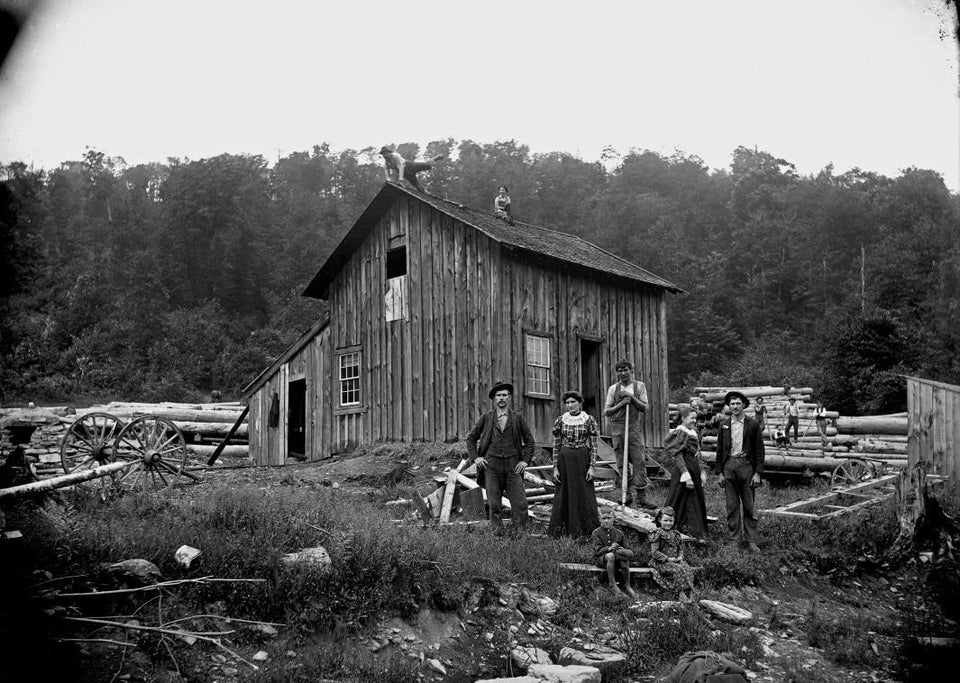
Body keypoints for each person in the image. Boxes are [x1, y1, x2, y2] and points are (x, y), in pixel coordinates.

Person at [466, 381, 534, 531]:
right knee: (494, 505)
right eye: (498, 395)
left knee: (521, 504)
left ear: (509, 398)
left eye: (504, 395)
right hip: (491, 466)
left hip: (513, 467)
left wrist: (525, 461)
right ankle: (497, 534)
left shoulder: (517, 418)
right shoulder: (486, 418)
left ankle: (521, 534)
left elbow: (530, 441)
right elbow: (471, 438)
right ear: (494, 399)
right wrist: (476, 458)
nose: (502, 398)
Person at [715, 391, 765, 552]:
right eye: (732, 404)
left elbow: (759, 450)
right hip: (729, 465)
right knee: (732, 505)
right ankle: (734, 540)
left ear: (744, 404)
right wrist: (720, 473)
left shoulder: (753, 424)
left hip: (746, 467)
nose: (735, 407)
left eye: (737, 403)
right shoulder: (724, 424)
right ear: (728, 406)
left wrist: (757, 473)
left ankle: (750, 540)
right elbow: (720, 450)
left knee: (749, 505)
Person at [548, 391, 601, 539]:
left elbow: (594, 445)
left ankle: (586, 531)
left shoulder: (588, 420)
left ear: (580, 403)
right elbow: (556, 444)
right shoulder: (561, 420)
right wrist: (555, 467)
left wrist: (592, 466)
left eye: (573, 402)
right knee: (564, 492)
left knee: (583, 491)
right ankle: (563, 531)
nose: (570, 405)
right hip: (565, 459)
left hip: (582, 458)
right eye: (568, 403)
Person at [603, 360, 655, 510]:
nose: (623, 373)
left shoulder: (640, 386)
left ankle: (642, 499)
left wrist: (631, 398)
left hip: (633, 428)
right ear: (617, 373)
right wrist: (621, 403)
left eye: (625, 369)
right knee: (621, 463)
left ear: (631, 370)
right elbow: (607, 411)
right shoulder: (613, 389)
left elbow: (645, 407)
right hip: (617, 429)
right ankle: (626, 495)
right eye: (619, 370)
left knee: (639, 461)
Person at [663, 407, 708, 538]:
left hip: (694, 468)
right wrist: (685, 474)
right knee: (677, 498)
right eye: (691, 418)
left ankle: (694, 532)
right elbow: (677, 455)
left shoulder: (694, 432)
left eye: (696, 418)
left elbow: (697, 454)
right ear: (683, 418)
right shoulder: (680, 432)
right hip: (683, 469)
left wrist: (702, 471)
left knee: (694, 499)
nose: (695, 420)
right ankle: (667, 531)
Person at [649, 506, 696, 603]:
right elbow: (655, 553)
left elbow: (680, 548)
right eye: (665, 520)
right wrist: (668, 559)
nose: (668, 523)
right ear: (659, 520)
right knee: (678, 569)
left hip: (675, 561)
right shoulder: (657, 534)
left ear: (674, 521)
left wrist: (680, 556)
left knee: (687, 569)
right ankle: (680, 593)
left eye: (670, 521)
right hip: (661, 562)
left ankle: (690, 592)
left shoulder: (676, 534)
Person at [591, 507, 636, 597]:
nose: (606, 521)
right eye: (603, 518)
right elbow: (597, 551)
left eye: (609, 518)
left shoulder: (619, 533)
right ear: (599, 519)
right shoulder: (596, 533)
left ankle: (627, 585)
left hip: (616, 560)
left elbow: (629, 551)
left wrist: (622, 550)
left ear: (614, 518)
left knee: (624, 559)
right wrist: (608, 548)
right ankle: (612, 584)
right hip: (601, 559)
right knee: (610, 555)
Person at [379, 146, 444, 192]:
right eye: (383, 154)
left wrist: (400, 180)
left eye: (385, 153)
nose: (385, 156)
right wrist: (388, 179)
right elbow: (387, 172)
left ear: (389, 153)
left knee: (428, 165)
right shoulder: (386, 163)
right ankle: (426, 194)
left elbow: (401, 167)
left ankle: (436, 158)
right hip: (406, 174)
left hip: (409, 166)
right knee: (417, 185)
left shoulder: (395, 156)